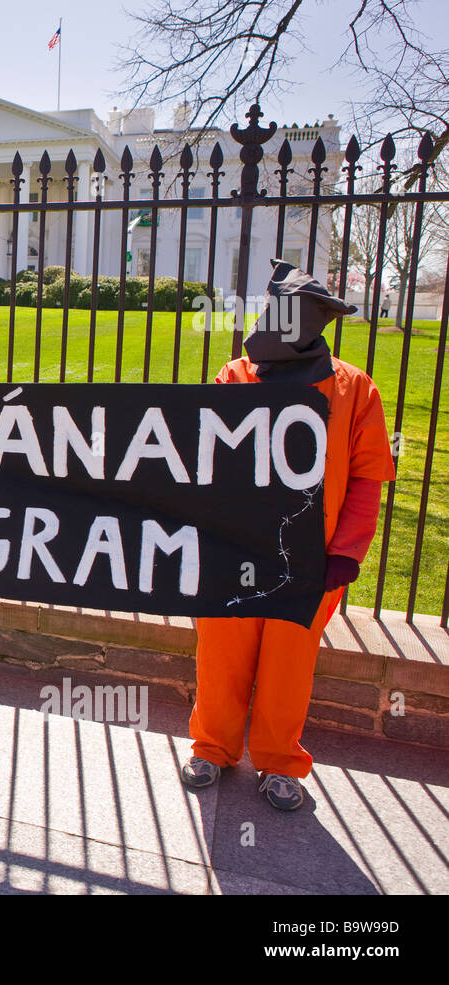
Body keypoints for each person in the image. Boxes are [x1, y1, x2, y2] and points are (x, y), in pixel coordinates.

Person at [182, 259, 395, 811]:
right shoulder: (236, 376)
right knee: (222, 651)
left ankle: (279, 762)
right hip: (233, 549)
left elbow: (368, 476)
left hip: (312, 557)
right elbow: (204, 458)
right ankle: (213, 748)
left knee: (288, 662)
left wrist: (346, 553)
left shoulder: (355, 387)